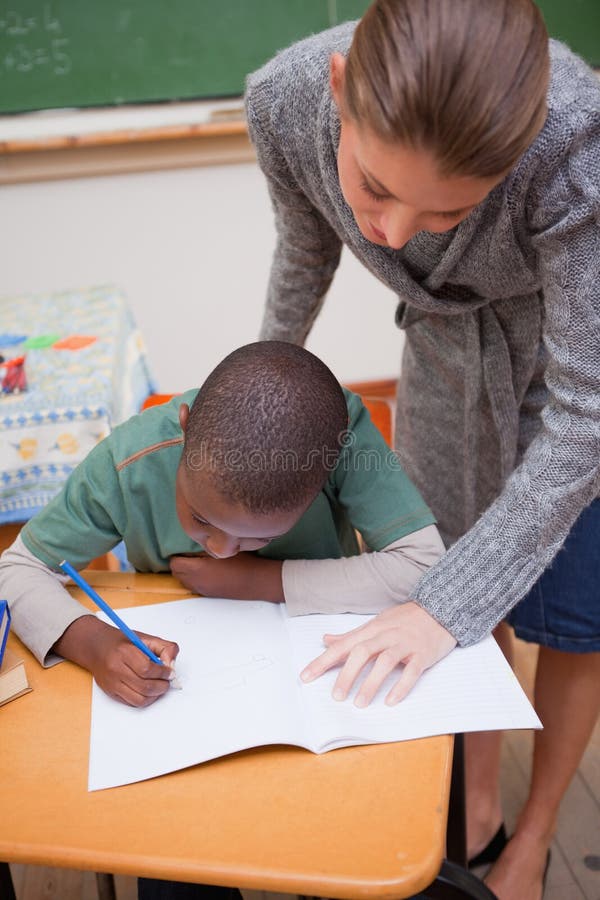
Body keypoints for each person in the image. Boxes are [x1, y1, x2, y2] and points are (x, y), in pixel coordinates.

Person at [244, 1, 600, 898]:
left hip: (575, 379)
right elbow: (304, 250)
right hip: (446, 366)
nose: (395, 237)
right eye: (373, 187)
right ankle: (476, 802)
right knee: (469, 581)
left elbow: (584, 416)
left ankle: (537, 831)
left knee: (576, 621)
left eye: (450, 211)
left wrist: (443, 607)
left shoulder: (578, 148)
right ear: (339, 93)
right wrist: (248, 397)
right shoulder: (286, 99)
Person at [0, 339, 443, 707]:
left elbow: (426, 567)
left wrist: (262, 581)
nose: (220, 550)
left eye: (262, 536)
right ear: (186, 429)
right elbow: (17, 569)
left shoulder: (341, 439)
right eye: (200, 517)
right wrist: (93, 643)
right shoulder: (127, 463)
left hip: (316, 668)